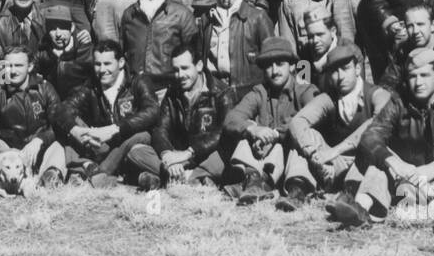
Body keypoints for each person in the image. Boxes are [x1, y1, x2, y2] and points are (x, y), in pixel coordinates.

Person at [328, 48, 434, 227]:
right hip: (410, 181)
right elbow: (370, 137)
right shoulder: (398, 103)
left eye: (425, 75)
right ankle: (360, 210)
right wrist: (396, 164)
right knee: (379, 161)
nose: (418, 82)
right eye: (413, 76)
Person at [223, 37, 320, 205]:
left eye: (280, 64)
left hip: (295, 162)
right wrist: (253, 130)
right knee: (247, 131)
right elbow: (231, 119)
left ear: (292, 66)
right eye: (269, 65)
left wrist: (276, 134)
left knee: (303, 136)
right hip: (265, 162)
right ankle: (253, 182)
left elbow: (315, 118)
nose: (274, 71)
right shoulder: (260, 93)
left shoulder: (305, 90)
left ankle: (298, 191)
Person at [55, 38, 162, 188]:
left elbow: (152, 111)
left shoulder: (138, 82)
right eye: (98, 64)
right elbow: (62, 109)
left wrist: (114, 129)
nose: (102, 69)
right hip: (103, 147)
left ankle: (100, 171)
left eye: (107, 64)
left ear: (121, 63)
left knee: (139, 139)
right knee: (69, 136)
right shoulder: (92, 86)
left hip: (134, 142)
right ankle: (129, 178)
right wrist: (77, 131)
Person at [127, 44, 234, 191]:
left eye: (185, 68)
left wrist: (189, 152)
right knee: (136, 152)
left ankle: (170, 178)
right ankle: (188, 178)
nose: (180, 75)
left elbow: (222, 133)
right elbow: (160, 128)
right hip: (178, 157)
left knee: (224, 156)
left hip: (205, 155)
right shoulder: (173, 92)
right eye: (176, 70)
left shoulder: (221, 93)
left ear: (199, 65)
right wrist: (167, 156)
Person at [284, 44, 376, 210]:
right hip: (334, 164)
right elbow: (298, 122)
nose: (340, 76)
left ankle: (351, 199)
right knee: (304, 137)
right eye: (334, 71)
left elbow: (375, 124)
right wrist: (314, 154)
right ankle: (297, 190)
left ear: (357, 69)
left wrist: (334, 151)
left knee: (372, 146)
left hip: (362, 164)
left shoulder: (374, 94)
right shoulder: (330, 98)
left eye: (345, 68)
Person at [0, 46, 67, 196]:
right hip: (7, 152)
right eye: (8, 66)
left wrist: (40, 140)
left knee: (59, 144)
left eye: (19, 65)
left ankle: (50, 176)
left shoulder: (44, 88)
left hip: (37, 151)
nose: (13, 71)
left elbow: (59, 122)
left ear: (30, 67)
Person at [373, 3, 434, 112]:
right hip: (412, 116)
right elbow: (386, 86)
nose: (415, 31)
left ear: (433, 25)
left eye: (420, 24)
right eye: (410, 26)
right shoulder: (403, 53)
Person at [120, 0, 200, 93]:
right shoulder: (129, 15)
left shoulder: (181, 15)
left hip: (169, 90)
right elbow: (123, 53)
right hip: (137, 90)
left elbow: (194, 55)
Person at [199, 0, 273, 105]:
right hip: (214, 94)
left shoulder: (257, 18)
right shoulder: (207, 19)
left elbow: (272, 61)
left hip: (248, 96)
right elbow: (200, 60)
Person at [35, 4, 95, 96]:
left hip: (79, 103)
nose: (58, 34)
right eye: (53, 28)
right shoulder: (43, 51)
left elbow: (90, 82)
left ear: (72, 28)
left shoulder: (83, 48)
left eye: (63, 27)